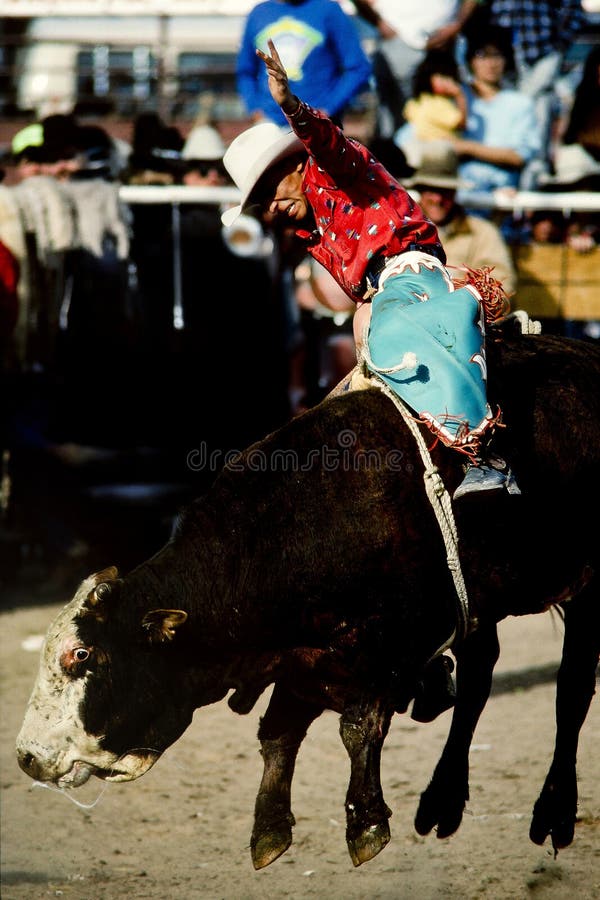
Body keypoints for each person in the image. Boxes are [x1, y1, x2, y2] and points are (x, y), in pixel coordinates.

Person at [222, 39, 521, 503]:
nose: (270, 211)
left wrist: (290, 105)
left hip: (409, 273)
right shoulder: (309, 229)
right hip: (379, 294)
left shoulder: (333, 170)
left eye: (269, 191)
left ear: (294, 165)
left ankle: (484, 457)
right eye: (259, 204)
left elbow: (329, 143)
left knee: (390, 332)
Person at [349, 0, 480, 138]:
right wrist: (380, 24)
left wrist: (457, 24)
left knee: (452, 118)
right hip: (399, 44)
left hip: (449, 46)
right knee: (396, 124)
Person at [236, 0, 372, 128]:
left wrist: (329, 109)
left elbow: (358, 68)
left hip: (317, 125)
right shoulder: (258, 13)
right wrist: (255, 109)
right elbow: (245, 71)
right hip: (269, 123)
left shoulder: (329, 10)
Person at [403, 142, 517, 296]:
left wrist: (462, 302)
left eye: (444, 191)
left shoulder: (482, 233)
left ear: (454, 192)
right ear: (420, 191)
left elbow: (502, 286)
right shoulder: (401, 231)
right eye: (431, 190)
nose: (437, 199)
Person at [450, 26, 543, 202]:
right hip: (456, 193)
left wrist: (467, 147)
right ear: (470, 60)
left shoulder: (520, 103)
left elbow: (518, 156)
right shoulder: (455, 95)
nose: (491, 63)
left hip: (502, 194)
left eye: (497, 55)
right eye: (482, 55)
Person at [399, 48, 467, 167]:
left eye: (450, 78)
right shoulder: (440, 104)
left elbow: (408, 113)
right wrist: (460, 96)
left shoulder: (418, 100)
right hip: (436, 152)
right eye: (442, 77)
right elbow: (461, 124)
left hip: (416, 148)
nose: (447, 82)